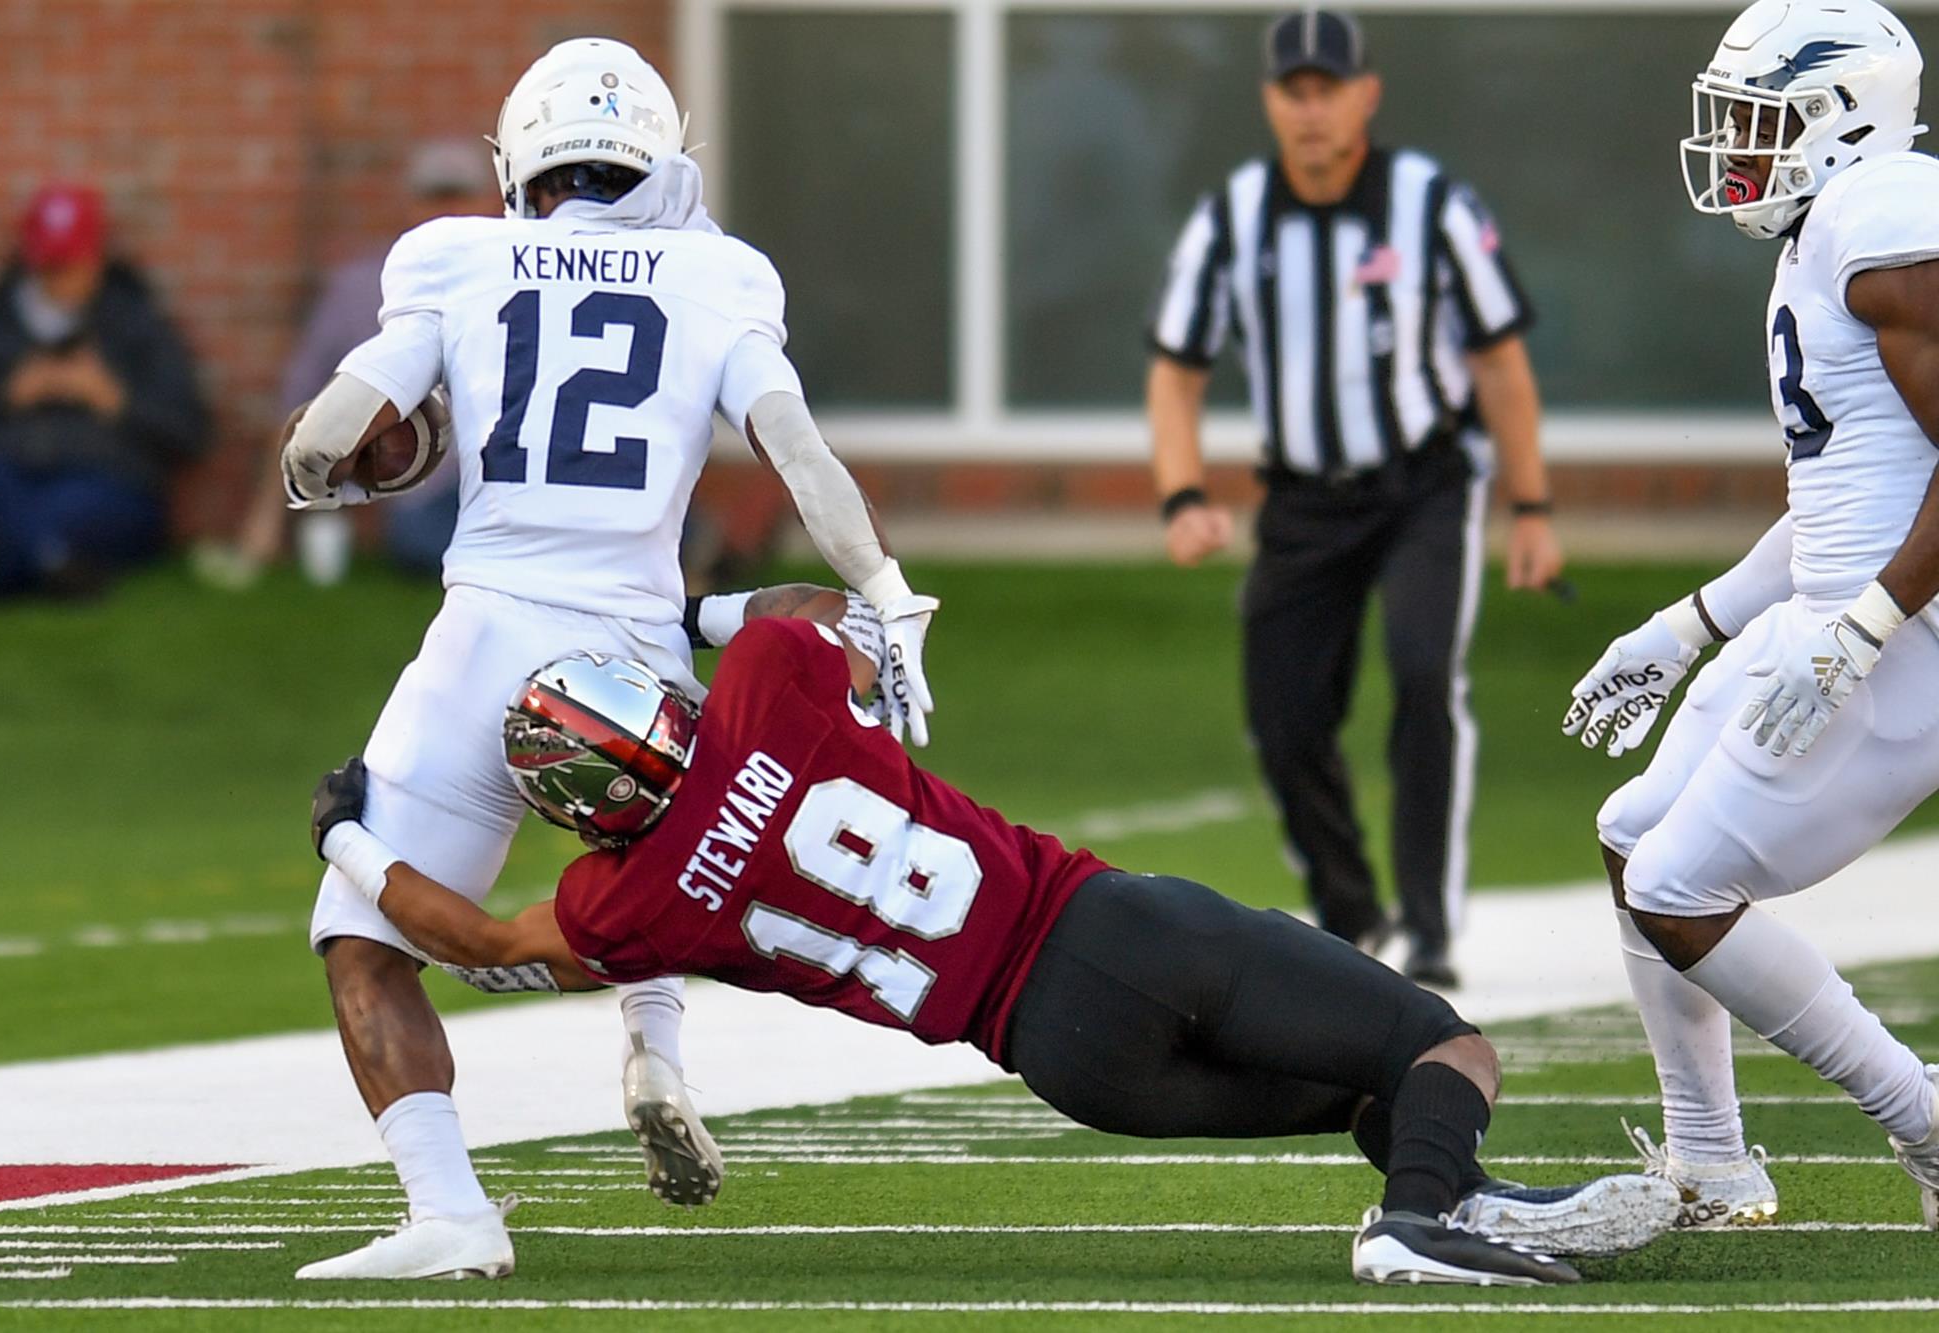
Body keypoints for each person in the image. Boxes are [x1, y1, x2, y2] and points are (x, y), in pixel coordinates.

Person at [305, 591, 1681, 1286]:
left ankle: (1443, 1204)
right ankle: (1422, 1224)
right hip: (1110, 930)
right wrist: (696, 617)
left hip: (1059, 1058)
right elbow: (815, 620)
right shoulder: (768, 689)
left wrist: (350, 842)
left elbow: (474, 933)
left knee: (1387, 1094)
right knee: (1445, 1041)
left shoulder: (627, 902)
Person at [276, 39, 942, 1280]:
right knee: (650, 874)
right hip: (636, 639)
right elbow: (799, 454)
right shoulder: (718, 273)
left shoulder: (452, 257)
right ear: (659, 156)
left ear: (518, 165)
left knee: (361, 939)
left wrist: (342, 468)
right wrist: (885, 592)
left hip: (484, 634)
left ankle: (450, 1210)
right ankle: (655, 1049)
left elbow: (323, 443)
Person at [1562, 0, 1939, 1231]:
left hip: (1911, 634)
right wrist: (1683, 628)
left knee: (1677, 888)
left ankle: (1925, 1123)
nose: (1734, 145)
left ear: (1844, 122)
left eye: (1760, 120)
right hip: (1847, 613)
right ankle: (1710, 1158)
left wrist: (1867, 627)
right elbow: (1839, 498)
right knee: (1634, 840)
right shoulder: (1823, 231)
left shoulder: (1884, 219)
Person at [1144, 7, 1564, 987]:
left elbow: (1498, 361)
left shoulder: (1428, 206)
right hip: (1299, 497)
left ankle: (1427, 928)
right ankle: (1350, 913)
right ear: (1267, 102)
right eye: (1291, 92)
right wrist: (1181, 493)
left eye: (1326, 89)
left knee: (1422, 675)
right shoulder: (1232, 218)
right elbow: (1176, 369)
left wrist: (1531, 508)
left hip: (1421, 483)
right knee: (1282, 710)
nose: (1310, 111)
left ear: (1364, 95)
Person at [195, 140, 489, 591]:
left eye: (459, 196)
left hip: (503, 474)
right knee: (420, 539)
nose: (446, 211)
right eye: (435, 196)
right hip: (425, 491)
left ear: (487, 204)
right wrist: (264, 525)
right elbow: (302, 397)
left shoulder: (511, 282)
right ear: (410, 204)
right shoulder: (360, 287)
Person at [0, 184, 207, 600]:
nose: (60, 275)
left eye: (71, 262)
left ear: (98, 257)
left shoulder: (138, 327)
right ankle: (54, 563)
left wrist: (112, 399)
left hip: (103, 476)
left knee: (81, 509)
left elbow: (189, 431)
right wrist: (6, 395)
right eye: (50, 263)